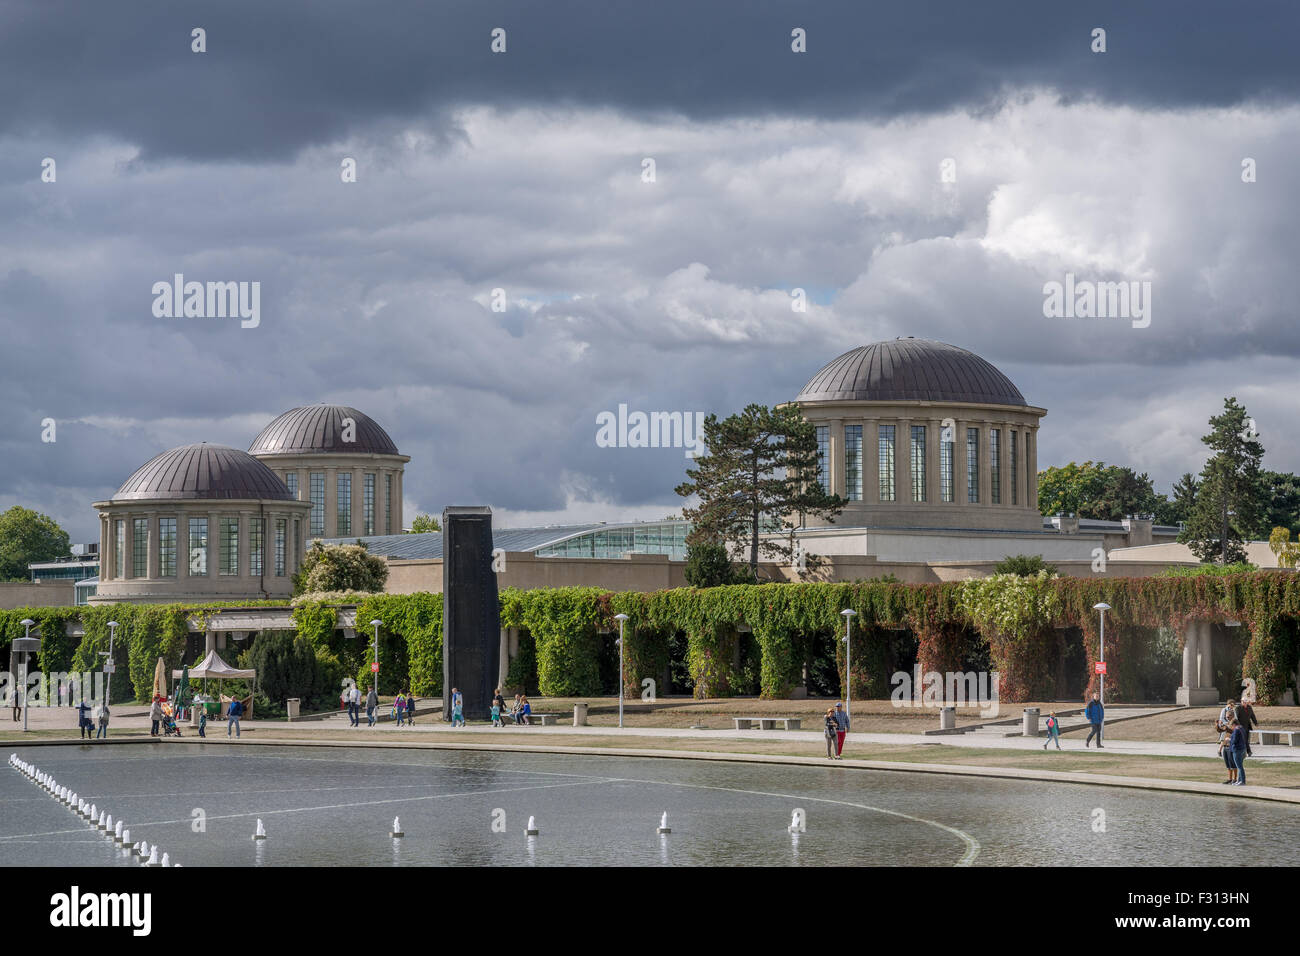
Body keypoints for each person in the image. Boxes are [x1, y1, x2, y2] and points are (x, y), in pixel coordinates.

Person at [1229, 719, 1249, 786]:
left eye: (1232, 725)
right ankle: (1239, 780)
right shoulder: (1242, 728)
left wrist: (1229, 740)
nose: (1232, 727)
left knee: (1239, 766)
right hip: (1242, 748)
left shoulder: (1236, 730)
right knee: (1240, 765)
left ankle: (1242, 781)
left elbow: (1234, 740)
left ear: (1234, 724)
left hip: (1237, 749)